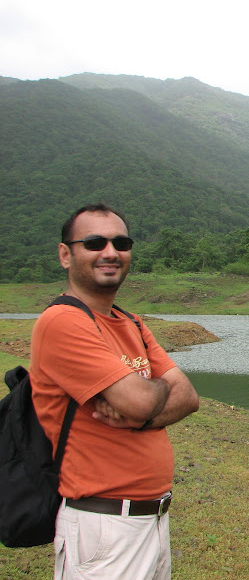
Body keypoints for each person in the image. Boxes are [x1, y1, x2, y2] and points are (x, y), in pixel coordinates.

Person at [30, 203, 200, 580]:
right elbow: (141, 400)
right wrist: (151, 394)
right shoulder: (62, 321)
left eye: (121, 243)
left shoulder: (131, 323)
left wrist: (140, 415)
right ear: (65, 255)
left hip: (152, 519)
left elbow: (188, 397)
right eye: (94, 243)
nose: (110, 252)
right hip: (104, 526)